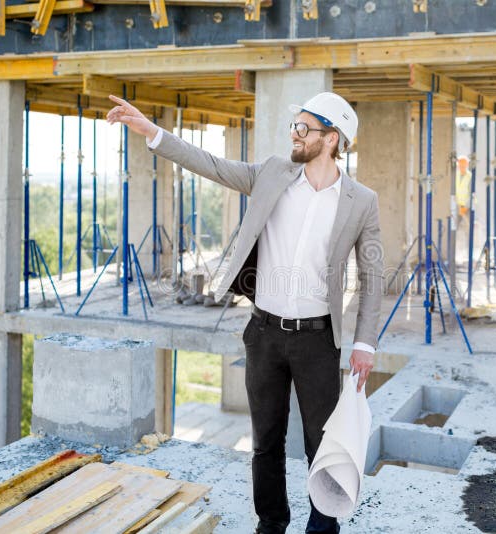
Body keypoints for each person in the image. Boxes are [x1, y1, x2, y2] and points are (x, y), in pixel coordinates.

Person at [107, 91, 383, 534]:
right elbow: (212, 165)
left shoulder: (361, 200)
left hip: (318, 341)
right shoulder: (273, 173)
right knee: (266, 442)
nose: (294, 135)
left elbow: (373, 275)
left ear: (331, 138)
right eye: (294, 126)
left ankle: (322, 527)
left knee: (322, 444)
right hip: (264, 333)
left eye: (304, 128)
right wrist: (152, 132)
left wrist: (365, 342)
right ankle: (270, 524)